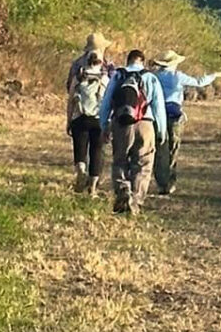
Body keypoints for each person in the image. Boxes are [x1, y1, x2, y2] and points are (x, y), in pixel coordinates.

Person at [99, 48, 167, 215]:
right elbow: (159, 106)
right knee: (143, 163)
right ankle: (136, 200)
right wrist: (161, 131)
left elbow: (106, 101)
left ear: (127, 60)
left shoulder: (118, 76)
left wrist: (104, 125)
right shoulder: (150, 78)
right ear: (142, 61)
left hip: (121, 123)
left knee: (120, 160)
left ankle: (123, 191)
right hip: (145, 123)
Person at [151, 51, 220, 196]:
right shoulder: (177, 76)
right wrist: (213, 75)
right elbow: (199, 82)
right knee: (173, 148)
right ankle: (170, 181)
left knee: (159, 148)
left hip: (157, 115)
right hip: (175, 115)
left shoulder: (155, 77)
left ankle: (161, 182)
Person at [66, 51, 107, 195]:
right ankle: (93, 187)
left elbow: (71, 101)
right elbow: (108, 101)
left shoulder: (78, 77)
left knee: (80, 148)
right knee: (96, 151)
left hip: (80, 117)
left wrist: (69, 120)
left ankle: (81, 171)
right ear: (101, 63)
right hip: (98, 119)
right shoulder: (104, 79)